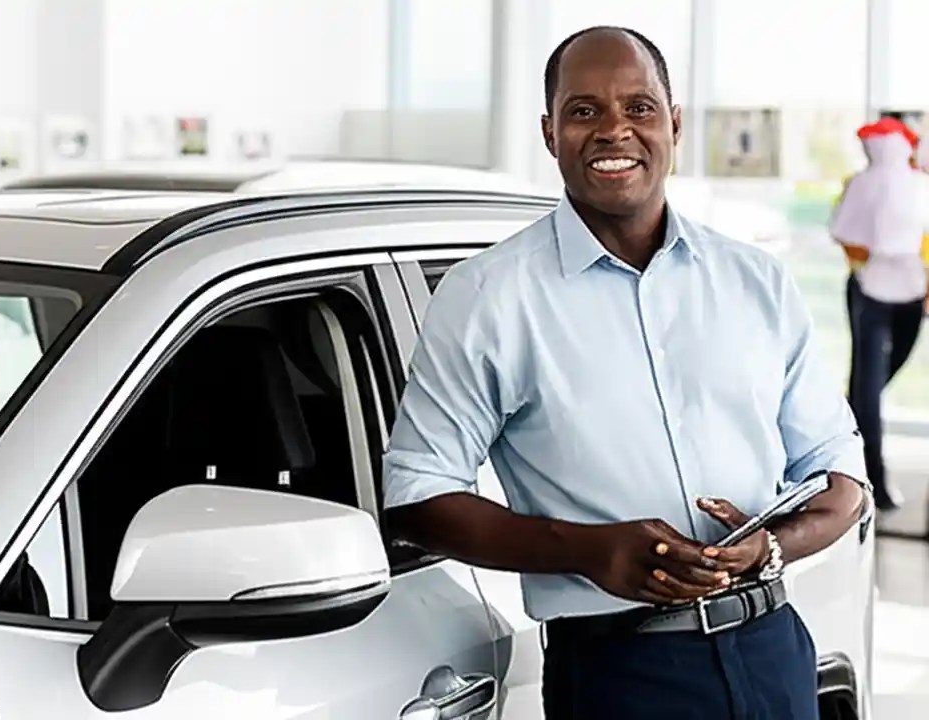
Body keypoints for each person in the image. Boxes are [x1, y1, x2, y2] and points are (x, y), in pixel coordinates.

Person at [382, 26, 870, 720]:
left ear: (673, 124)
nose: (615, 131)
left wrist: (769, 548)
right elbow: (418, 495)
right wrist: (589, 551)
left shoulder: (756, 281)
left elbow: (839, 476)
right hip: (617, 672)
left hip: (774, 654)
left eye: (639, 108)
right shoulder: (487, 297)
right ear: (550, 133)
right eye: (585, 111)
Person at [830, 116, 929, 511]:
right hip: (880, 290)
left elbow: (844, 234)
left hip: (894, 291)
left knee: (867, 385)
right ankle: (872, 480)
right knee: (868, 386)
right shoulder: (878, 184)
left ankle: (844, 418)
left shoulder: (906, 184)